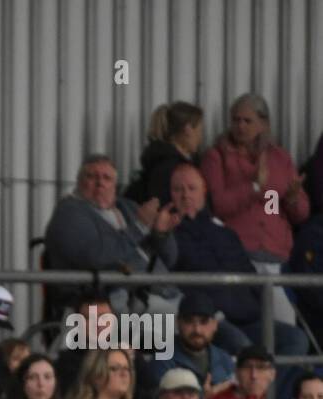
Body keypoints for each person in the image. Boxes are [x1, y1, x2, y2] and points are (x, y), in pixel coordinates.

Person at [170, 162, 309, 365]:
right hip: (213, 320)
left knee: (296, 339)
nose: (185, 195)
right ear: (170, 194)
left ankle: (272, 395)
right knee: (246, 351)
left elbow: (248, 272)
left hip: (250, 317)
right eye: (178, 189)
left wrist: (255, 304)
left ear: (203, 192)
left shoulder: (225, 233)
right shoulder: (169, 235)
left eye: (192, 189)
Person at [201, 93, 310, 326]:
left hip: (275, 257)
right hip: (239, 256)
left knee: (284, 323)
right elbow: (219, 205)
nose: (240, 126)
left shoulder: (279, 158)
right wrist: (252, 187)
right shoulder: (217, 156)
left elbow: (292, 211)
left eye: (247, 121)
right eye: (236, 120)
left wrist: (291, 200)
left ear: (264, 124)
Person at [43, 154, 180, 315]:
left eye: (106, 178)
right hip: (107, 301)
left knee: (202, 315)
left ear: (115, 186)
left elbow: (169, 259)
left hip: (160, 293)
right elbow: (97, 257)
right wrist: (140, 226)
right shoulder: (69, 213)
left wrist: (161, 234)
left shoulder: (128, 207)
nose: (100, 183)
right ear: (79, 182)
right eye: (91, 177)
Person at [123, 102, 203, 206]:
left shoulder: (164, 161)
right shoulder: (170, 168)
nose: (200, 137)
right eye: (200, 130)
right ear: (188, 130)